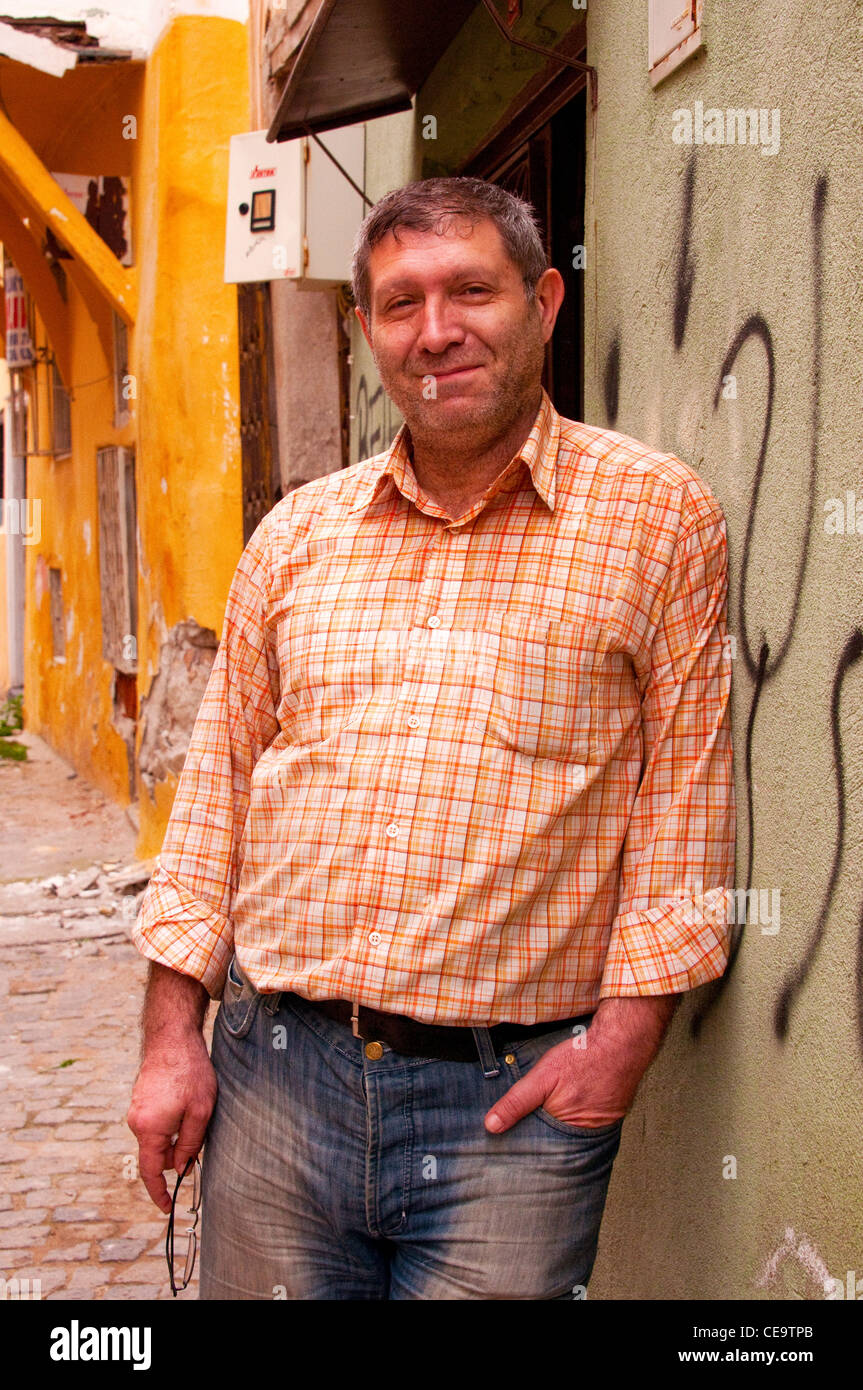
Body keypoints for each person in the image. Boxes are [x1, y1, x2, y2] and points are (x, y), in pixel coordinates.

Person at [127, 176, 735, 1300]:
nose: (436, 330)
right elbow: (214, 801)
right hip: (274, 1083)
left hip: (507, 1108)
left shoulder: (656, 520)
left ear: (543, 301)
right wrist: (173, 1039)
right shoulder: (298, 535)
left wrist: (617, 1049)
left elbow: (681, 811)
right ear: (365, 330)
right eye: (400, 302)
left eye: (470, 290)